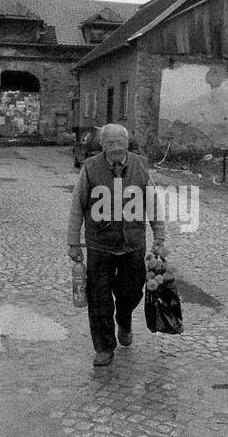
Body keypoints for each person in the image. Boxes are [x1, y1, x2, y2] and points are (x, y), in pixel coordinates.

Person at [66, 124, 166, 366]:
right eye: (109, 143)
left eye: (119, 142)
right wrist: (73, 243)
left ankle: (124, 319)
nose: (114, 147)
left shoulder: (140, 166)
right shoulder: (90, 168)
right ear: (102, 145)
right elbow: (77, 206)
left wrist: (159, 237)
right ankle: (104, 347)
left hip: (133, 244)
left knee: (131, 293)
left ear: (126, 143)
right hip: (100, 244)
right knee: (99, 298)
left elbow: (152, 203)